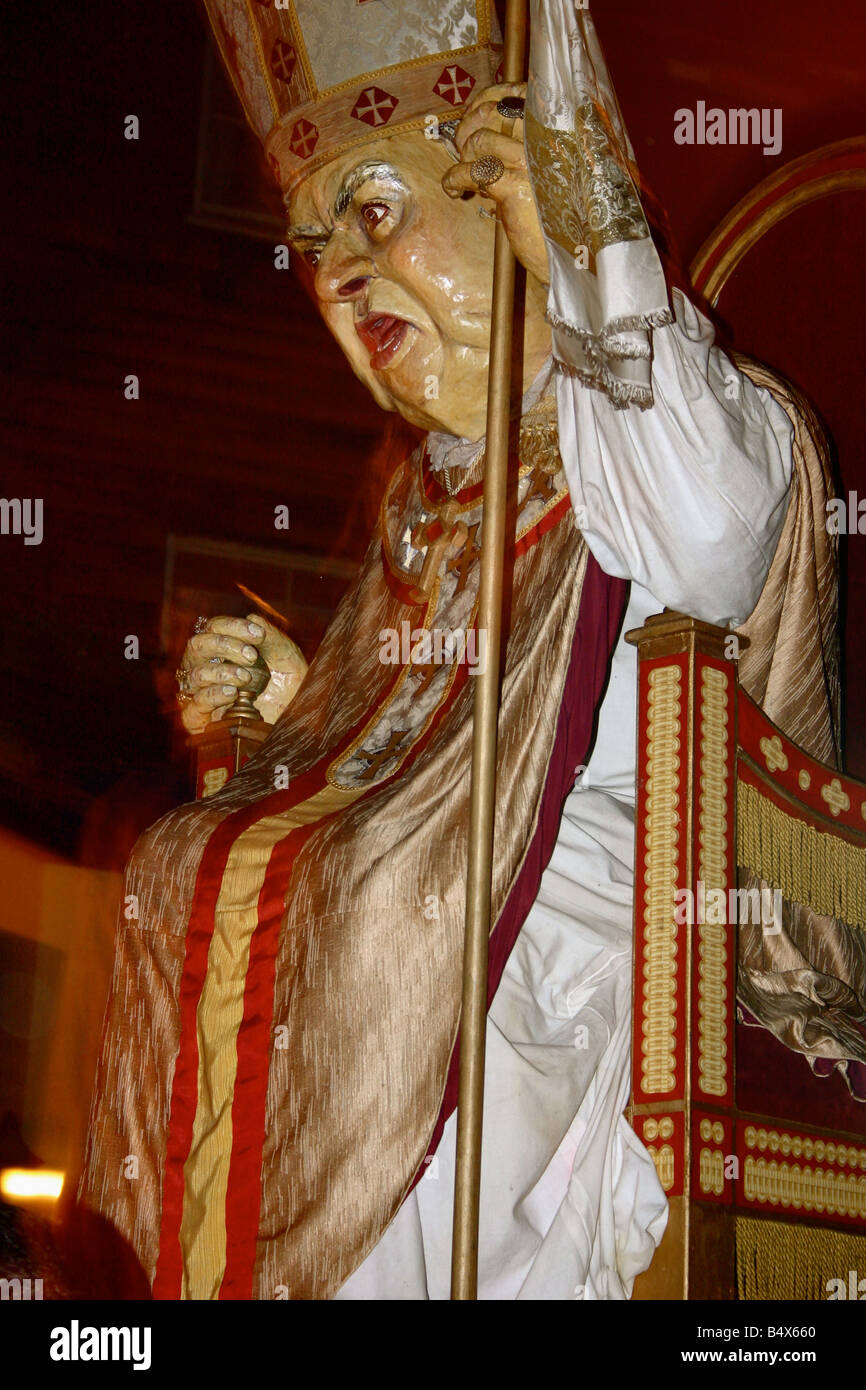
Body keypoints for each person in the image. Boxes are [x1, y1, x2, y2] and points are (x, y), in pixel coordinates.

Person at [79, 0, 839, 1300]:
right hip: (430, 878)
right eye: (315, 244)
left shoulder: (692, 408)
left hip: (608, 932)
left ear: (511, 195)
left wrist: (594, 252)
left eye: (377, 212)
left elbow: (706, 538)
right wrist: (296, 703)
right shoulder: (425, 493)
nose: (338, 273)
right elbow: (415, 745)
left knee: (370, 917)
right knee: (190, 861)